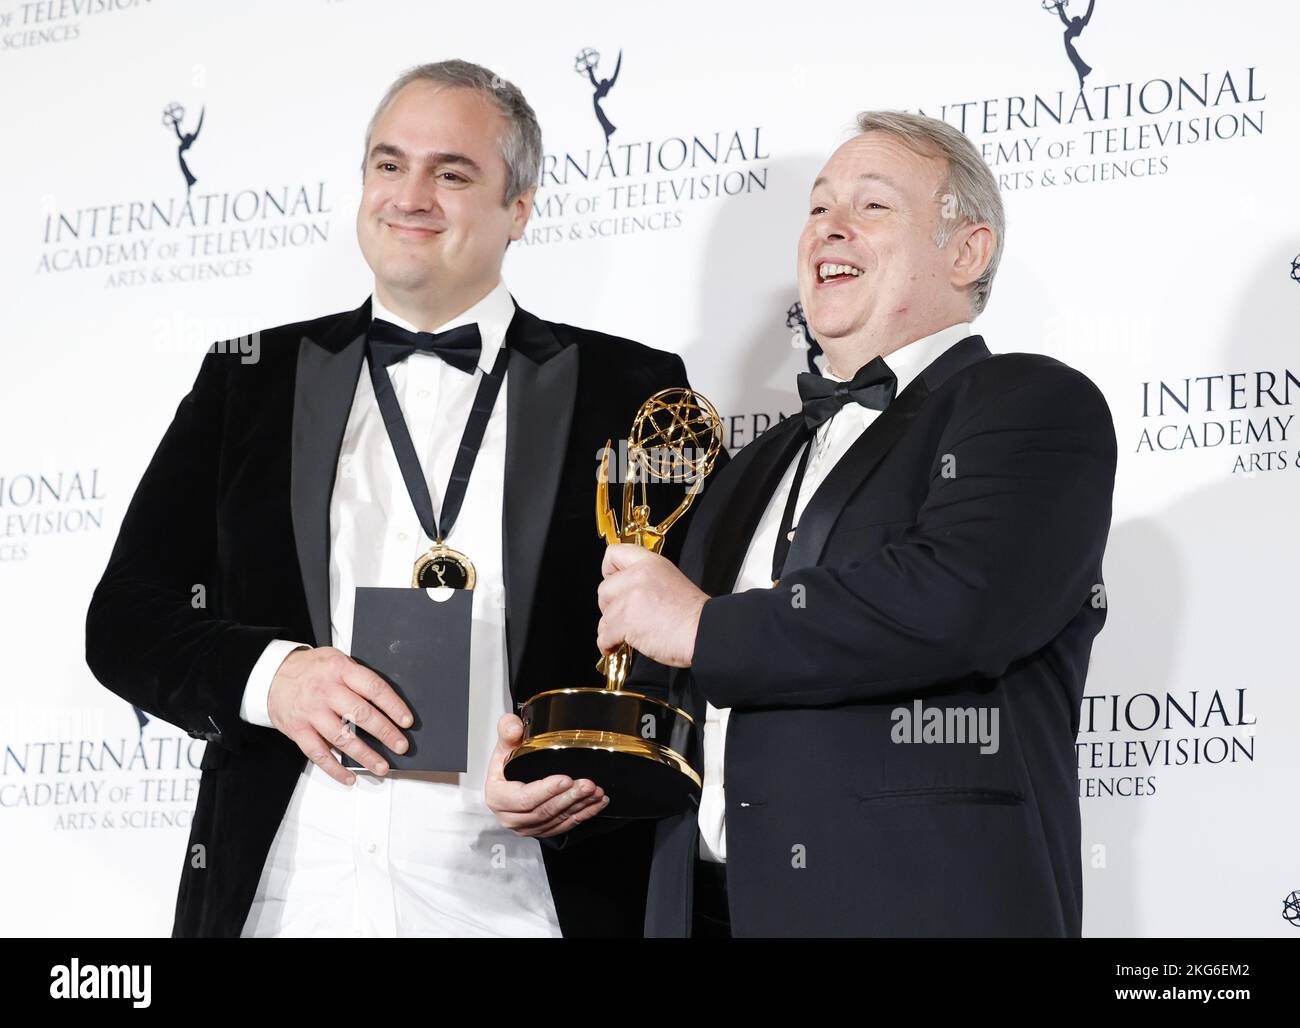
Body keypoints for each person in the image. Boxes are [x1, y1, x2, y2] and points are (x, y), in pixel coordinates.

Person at [86, 59, 698, 938]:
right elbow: (126, 619)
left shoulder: (632, 388)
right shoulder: (248, 380)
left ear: (519, 208)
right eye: (388, 164)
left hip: (521, 899)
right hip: (289, 895)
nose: (411, 195)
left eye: (452, 173)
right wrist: (274, 678)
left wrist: (591, 774)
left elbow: (679, 644)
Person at [592, 110, 1118, 937]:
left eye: (872, 207)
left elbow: (958, 599)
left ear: (966, 251)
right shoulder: (749, 470)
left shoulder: (1029, 405)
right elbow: (690, 690)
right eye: (817, 207)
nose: (829, 229)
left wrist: (702, 625)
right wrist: (578, 769)